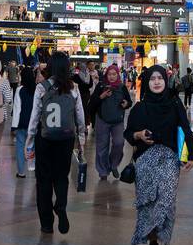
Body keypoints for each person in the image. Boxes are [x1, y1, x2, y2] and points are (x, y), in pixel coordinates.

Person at [126, 65, 193, 245]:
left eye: (160, 78)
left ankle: (165, 244)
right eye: (152, 79)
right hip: (145, 160)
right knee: (148, 202)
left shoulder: (175, 104)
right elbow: (128, 133)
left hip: (168, 158)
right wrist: (138, 135)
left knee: (166, 200)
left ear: (165, 81)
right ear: (147, 82)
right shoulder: (140, 108)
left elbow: (185, 128)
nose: (156, 82)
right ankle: (152, 241)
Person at [26, 52, 85, 234]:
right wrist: (81, 139)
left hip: (45, 139)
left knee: (43, 180)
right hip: (66, 139)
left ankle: (46, 223)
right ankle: (61, 205)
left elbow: (35, 117)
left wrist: (29, 142)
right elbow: (80, 116)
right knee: (61, 176)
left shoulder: (42, 87)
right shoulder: (73, 87)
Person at [93, 64, 132, 181]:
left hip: (118, 121)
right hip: (102, 120)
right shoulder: (101, 86)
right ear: (106, 75)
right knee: (102, 146)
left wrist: (127, 104)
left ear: (118, 75)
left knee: (119, 143)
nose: (112, 77)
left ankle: (113, 164)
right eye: (109, 74)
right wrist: (101, 96)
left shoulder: (122, 87)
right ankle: (103, 171)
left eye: (114, 74)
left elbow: (129, 101)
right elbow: (92, 103)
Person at [10, 64, 36, 179]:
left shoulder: (20, 90)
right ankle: (34, 169)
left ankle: (21, 172)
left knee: (20, 147)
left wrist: (13, 127)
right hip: (34, 123)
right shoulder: (38, 89)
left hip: (22, 123)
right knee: (34, 147)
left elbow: (17, 109)